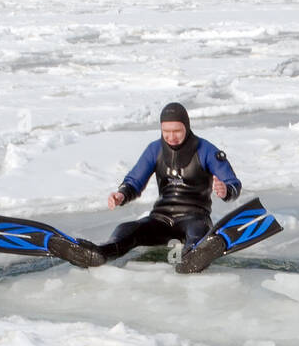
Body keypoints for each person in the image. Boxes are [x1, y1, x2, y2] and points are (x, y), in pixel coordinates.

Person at [49, 102, 242, 274]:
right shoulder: (155, 149)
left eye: (177, 131)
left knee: (198, 231)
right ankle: (100, 253)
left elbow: (233, 183)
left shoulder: (206, 150)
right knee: (128, 229)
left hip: (195, 217)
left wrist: (225, 190)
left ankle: (193, 258)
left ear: (187, 127)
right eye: (166, 131)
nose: (171, 137)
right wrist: (121, 195)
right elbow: (134, 181)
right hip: (162, 218)